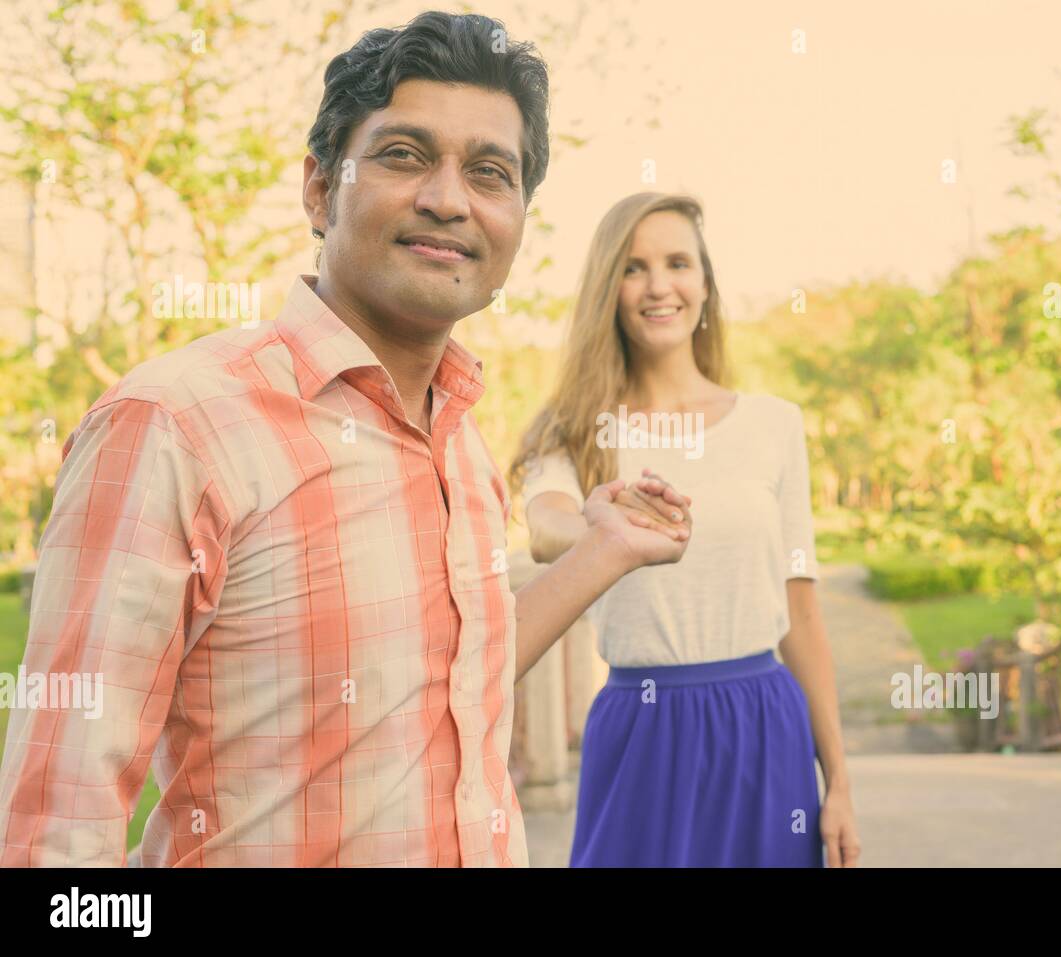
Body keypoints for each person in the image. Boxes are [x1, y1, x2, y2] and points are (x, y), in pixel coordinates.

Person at [0, 12, 693, 868]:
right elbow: (54, 833)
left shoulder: (461, 443)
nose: (448, 198)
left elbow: (457, 669)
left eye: (489, 171)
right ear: (321, 189)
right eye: (404, 155)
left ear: (516, 216)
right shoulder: (174, 425)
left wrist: (607, 548)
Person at [509, 192, 861, 867]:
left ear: (705, 285)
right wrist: (600, 519)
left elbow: (801, 612)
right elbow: (544, 526)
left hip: (765, 725)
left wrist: (838, 781)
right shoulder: (576, 427)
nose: (659, 285)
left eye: (678, 262)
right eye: (634, 267)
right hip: (642, 725)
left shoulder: (773, 424)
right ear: (608, 290)